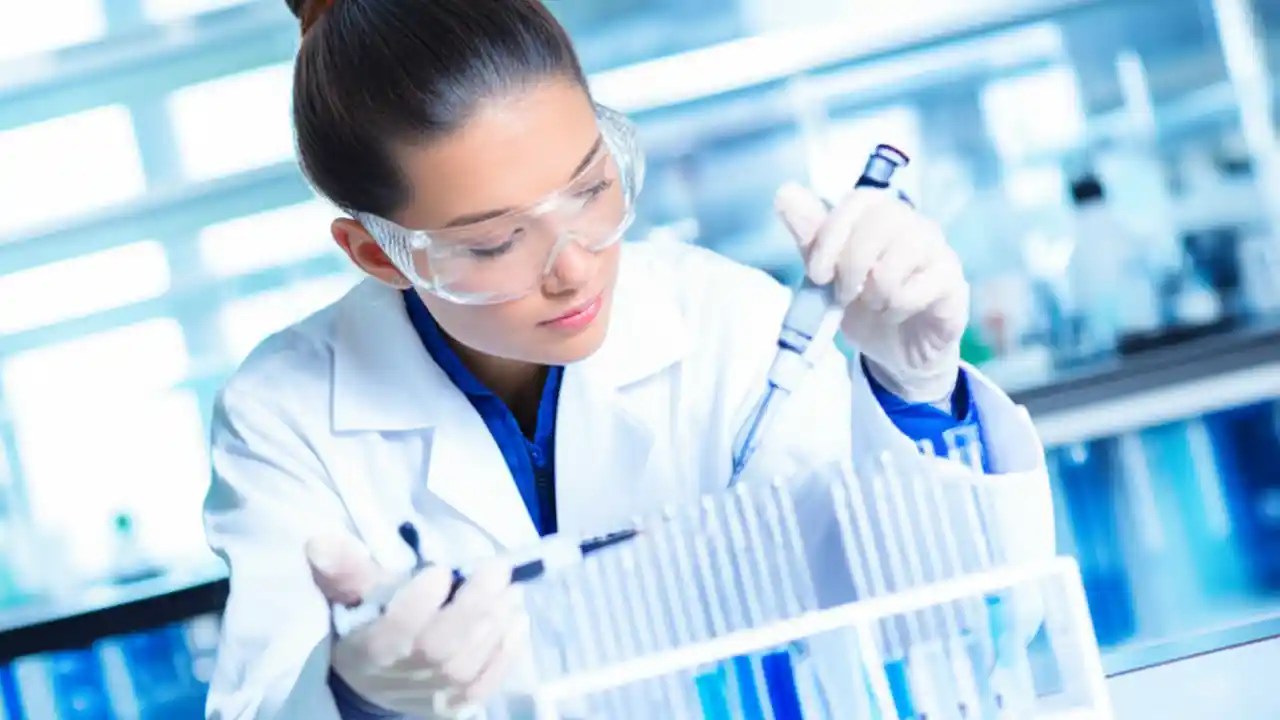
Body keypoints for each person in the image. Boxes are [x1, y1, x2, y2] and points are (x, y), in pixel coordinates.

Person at [202, 0, 1055, 717]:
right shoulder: (288, 413)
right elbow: (261, 701)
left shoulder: (730, 322)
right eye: (497, 241)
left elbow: (971, 634)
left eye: (589, 187)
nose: (573, 264)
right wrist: (360, 697)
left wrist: (916, 391)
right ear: (378, 253)